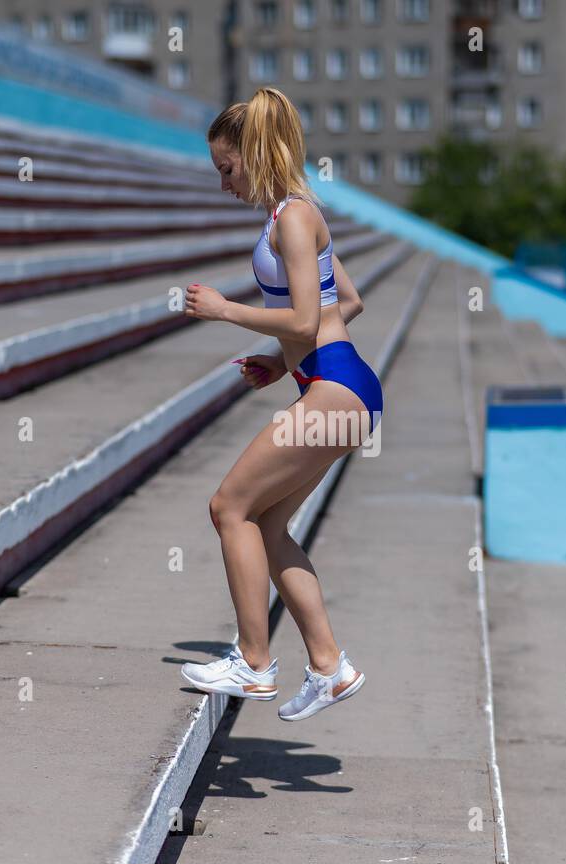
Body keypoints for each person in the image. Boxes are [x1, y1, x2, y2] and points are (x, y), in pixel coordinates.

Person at [179, 87, 382, 722]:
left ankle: (254, 662)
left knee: (228, 507)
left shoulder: (293, 217)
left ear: (253, 154)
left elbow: (303, 314)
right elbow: (344, 303)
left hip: (335, 388)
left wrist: (223, 311)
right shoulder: (291, 216)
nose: (224, 184)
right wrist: (280, 358)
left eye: (227, 168)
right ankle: (329, 666)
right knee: (265, 527)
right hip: (337, 384)